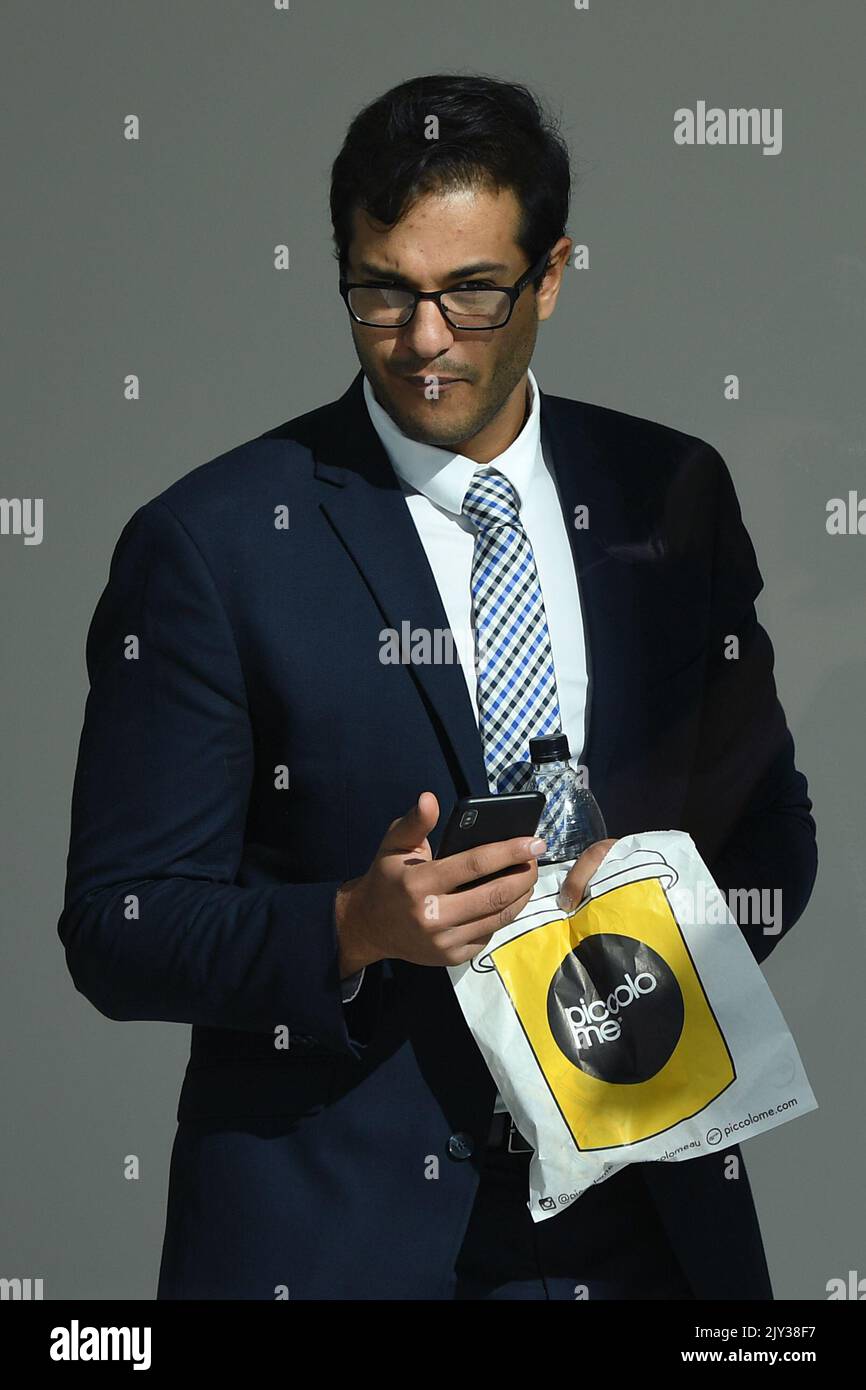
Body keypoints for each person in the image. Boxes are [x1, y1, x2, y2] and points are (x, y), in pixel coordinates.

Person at [58, 73, 817, 1300]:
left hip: (655, 1241)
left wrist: (668, 937)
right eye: (380, 292)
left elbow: (771, 828)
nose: (422, 340)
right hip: (339, 1242)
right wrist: (351, 927)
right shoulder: (211, 543)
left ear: (552, 273)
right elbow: (117, 927)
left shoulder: (669, 491)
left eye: (471, 292)